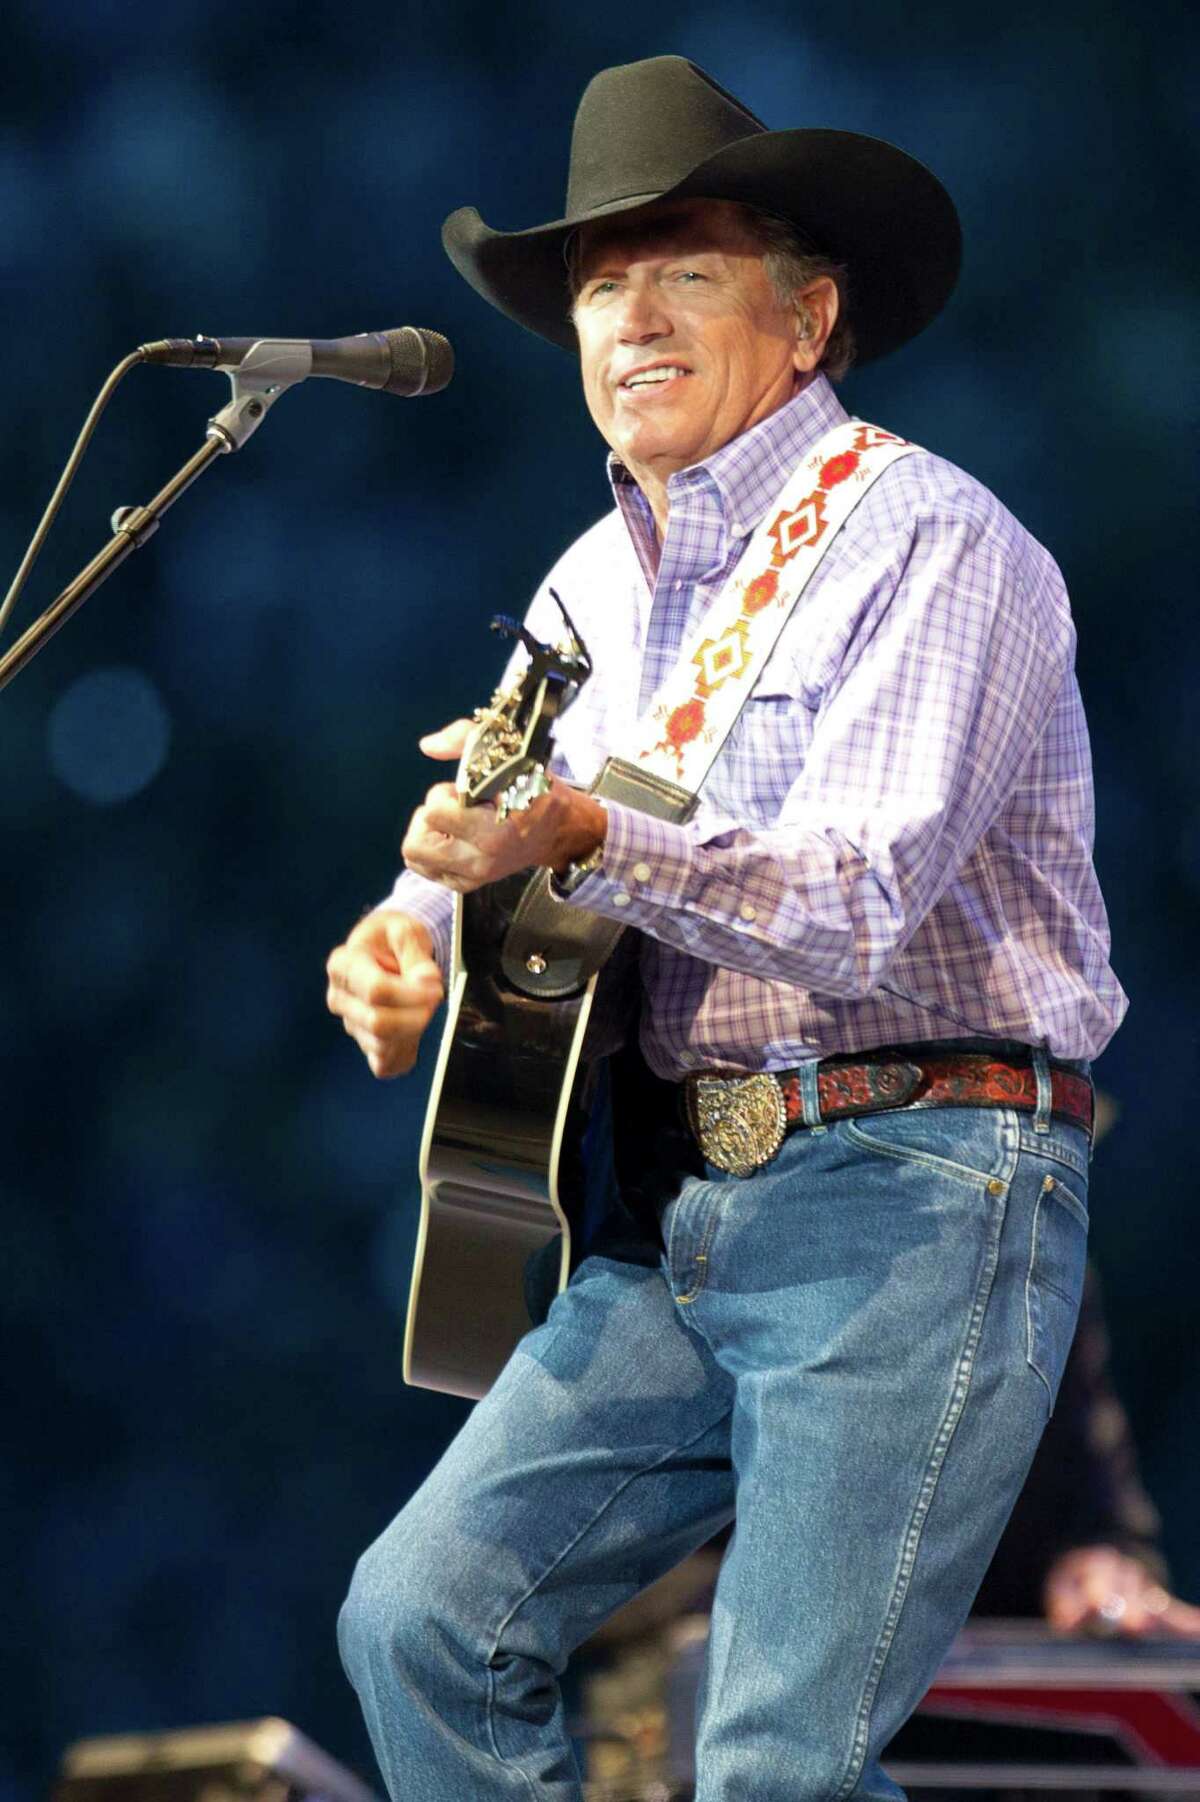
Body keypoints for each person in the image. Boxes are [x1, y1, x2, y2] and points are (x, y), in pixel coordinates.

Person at [326, 55, 1128, 1802]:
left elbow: (853, 897)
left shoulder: (933, 543)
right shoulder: (587, 588)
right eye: (601, 285)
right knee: (417, 1624)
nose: (631, 318)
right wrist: (407, 935)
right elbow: (496, 828)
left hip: (917, 1176)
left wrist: (588, 828)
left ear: (810, 314)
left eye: (684, 267)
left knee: (777, 1767)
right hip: (683, 1207)